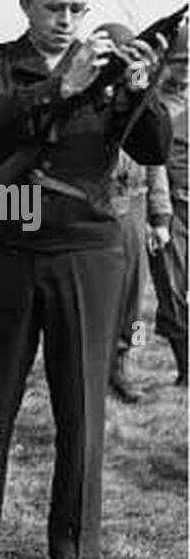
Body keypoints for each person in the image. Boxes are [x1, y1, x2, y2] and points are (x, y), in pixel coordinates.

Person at [0, 0, 171, 559]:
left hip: (88, 254)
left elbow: (151, 148)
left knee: (80, 406)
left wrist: (141, 93)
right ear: (26, 5)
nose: (66, 20)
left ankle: (71, 547)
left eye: (76, 9)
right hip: (7, 251)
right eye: (54, 7)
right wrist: (62, 87)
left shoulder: (110, 66)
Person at [108, 144, 172, 404]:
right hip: (94, 203)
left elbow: (156, 164)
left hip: (135, 204)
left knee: (134, 297)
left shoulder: (143, 109)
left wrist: (161, 217)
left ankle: (125, 362)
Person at [147, 20, 188, 386]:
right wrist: (159, 217)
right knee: (172, 289)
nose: (186, 69)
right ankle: (186, 368)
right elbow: (153, 164)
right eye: (180, 61)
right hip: (171, 209)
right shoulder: (153, 102)